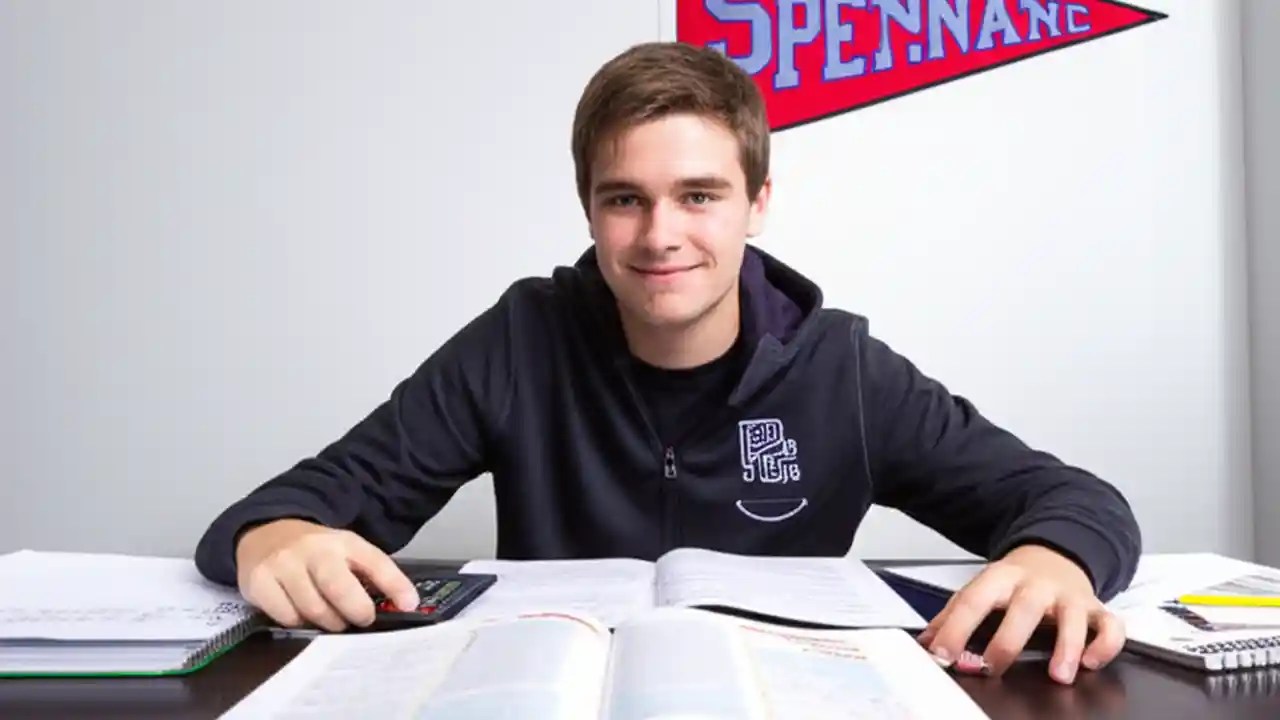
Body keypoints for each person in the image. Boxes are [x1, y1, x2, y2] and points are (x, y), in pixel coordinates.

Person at [194, 40, 1141, 685]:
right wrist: (272, 539)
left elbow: (1076, 501)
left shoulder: (844, 369)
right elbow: (294, 506)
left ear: (756, 202)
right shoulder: (520, 340)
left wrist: (1054, 558)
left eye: (698, 195)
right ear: (588, 207)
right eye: (625, 199)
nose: (660, 235)